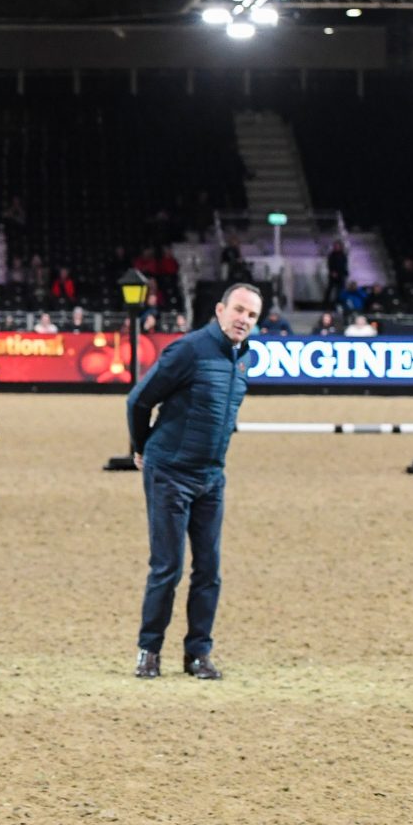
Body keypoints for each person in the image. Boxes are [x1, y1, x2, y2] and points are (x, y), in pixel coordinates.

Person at [123, 283, 257, 682]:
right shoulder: (188, 350)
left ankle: (198, 654)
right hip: (169, 473)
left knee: (209, 570)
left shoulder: (243, 357)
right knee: (168, 567)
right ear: (220, 309)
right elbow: (138, 400)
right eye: (238, 310)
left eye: (251, 315)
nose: (243, 320)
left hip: (211, 477)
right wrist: (142, 447)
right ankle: (149, 651)